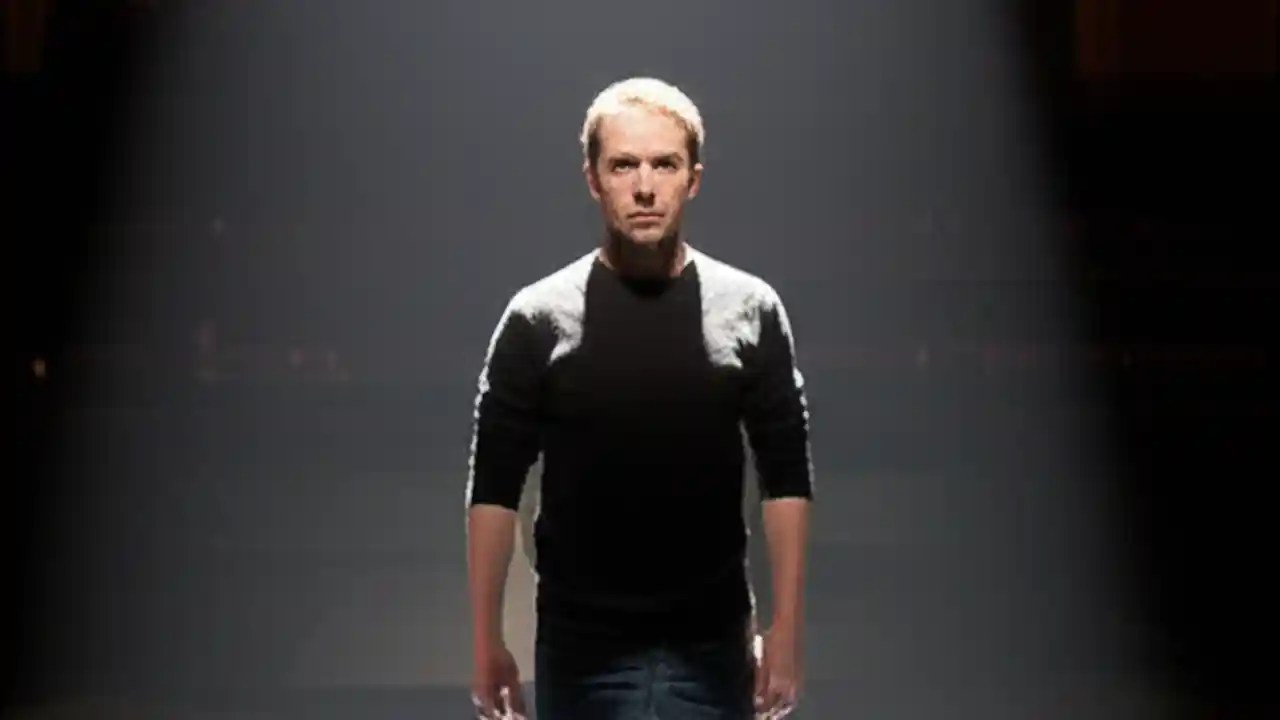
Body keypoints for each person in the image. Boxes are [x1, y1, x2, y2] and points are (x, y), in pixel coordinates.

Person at [466, 77, 814, 720]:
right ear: (593, 179)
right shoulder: (536, 319)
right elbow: (493, 486)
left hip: (712, 642)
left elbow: (786, 476)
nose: (646, 186)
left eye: (665, 164)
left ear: (694, 178)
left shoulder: (752, 310)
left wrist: (788, 630)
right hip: (582, 645)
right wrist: (487, 640)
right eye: (624, 165)